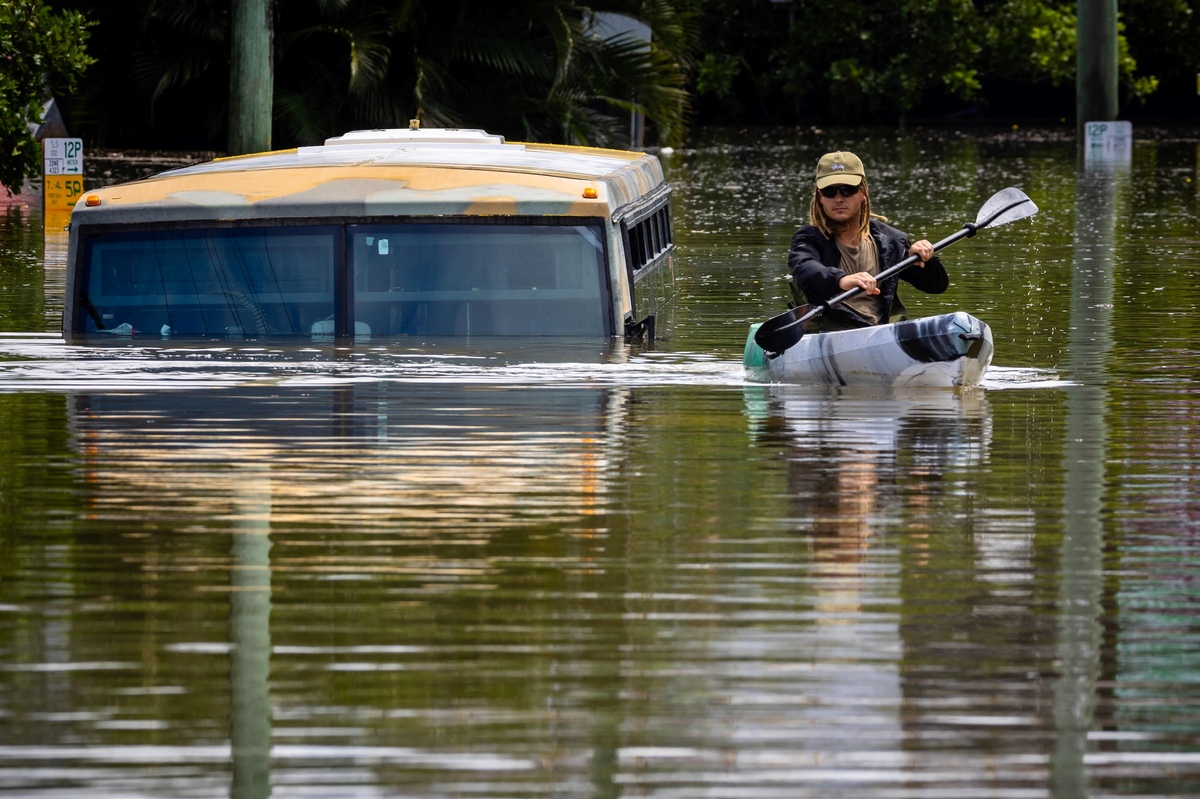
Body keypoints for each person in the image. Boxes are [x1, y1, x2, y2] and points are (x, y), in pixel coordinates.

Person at [787, 151, 948, 332]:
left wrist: (925, 261)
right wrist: (841, 280)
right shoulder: (808, 239)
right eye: (829, 191)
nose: (839, 198)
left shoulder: (891, 241)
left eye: (848, 189)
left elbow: (937, 286)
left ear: (862, 192)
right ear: (819, 197)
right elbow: (804, 268)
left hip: (882, 333)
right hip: (830, 332)